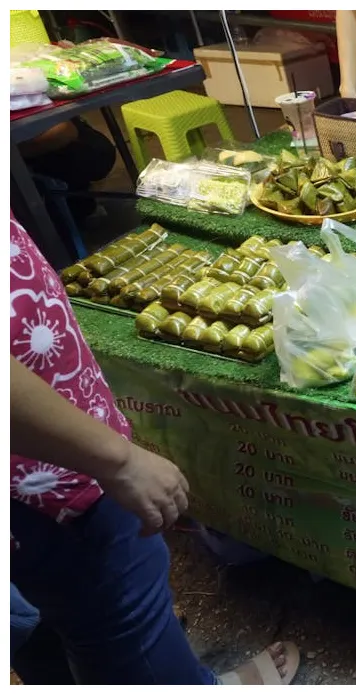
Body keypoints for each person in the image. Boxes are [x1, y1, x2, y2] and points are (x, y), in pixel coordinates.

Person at [8, 215, 299, 685]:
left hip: (42, 471)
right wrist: (115, 460)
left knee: (47, 621)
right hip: (52, 480)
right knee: (122, 617)